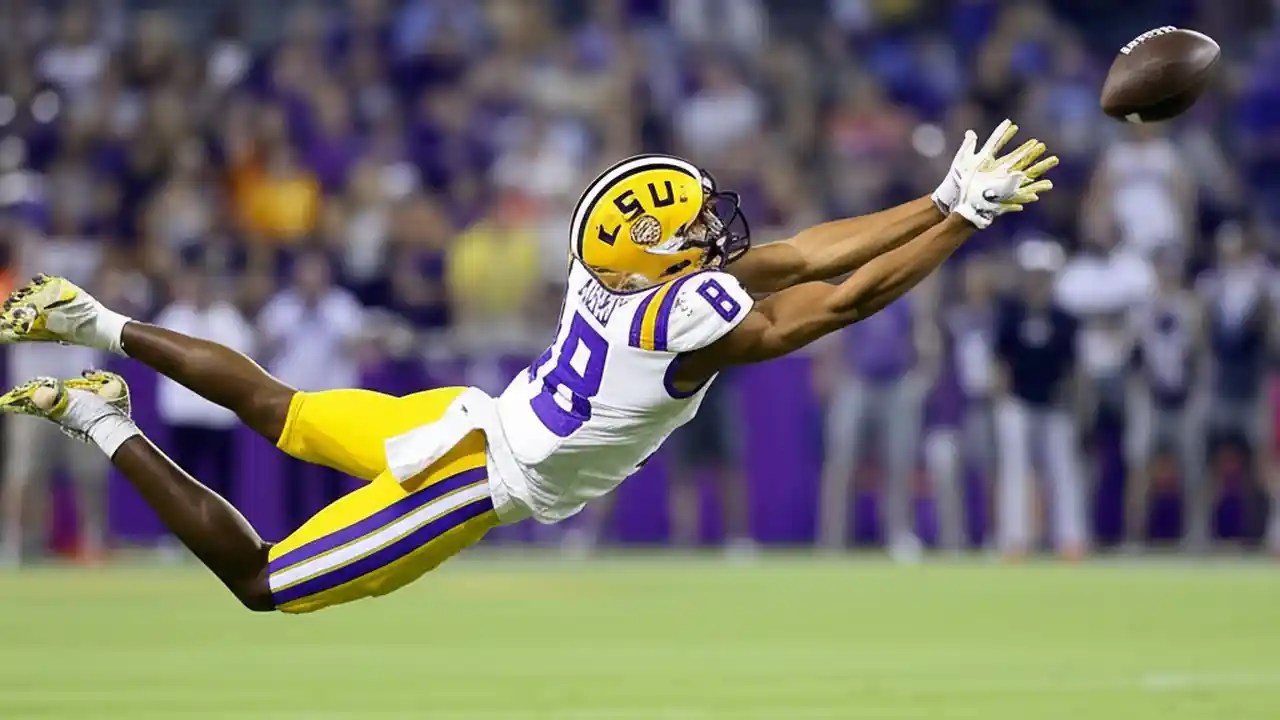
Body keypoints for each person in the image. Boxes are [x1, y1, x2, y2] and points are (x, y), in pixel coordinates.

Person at [0, 126, 1055, 613]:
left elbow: (793, 257)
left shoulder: (606, 270)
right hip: (473, 472)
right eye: (690, 227)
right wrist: (952, 217)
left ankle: (93, 320)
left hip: (471, 417)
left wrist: (935, 201)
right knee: (264, 583)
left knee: (278, 407)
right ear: (660, 256)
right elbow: (828, 299)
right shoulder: (680, 310)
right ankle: (103, 416)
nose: (712, 230)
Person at [993, 240, 1087, 560]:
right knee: (1015, 471)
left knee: (1063, 470)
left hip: (1054, 403)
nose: (1037, 281)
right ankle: (1015, 540)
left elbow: (1074, 367)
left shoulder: (1065, 319)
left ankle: (1070, 539)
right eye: (1033, 275)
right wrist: (1002, 398)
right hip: (1018, 401)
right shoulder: (1010, 314)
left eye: (1043, 275)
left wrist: (1076, 401)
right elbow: (1000, 360)